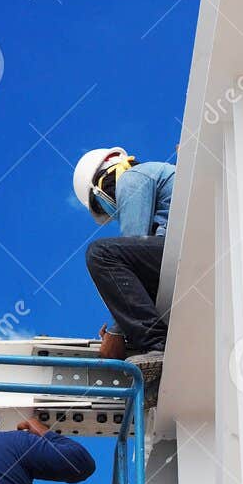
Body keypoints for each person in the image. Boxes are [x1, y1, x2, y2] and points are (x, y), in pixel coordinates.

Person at [74, 147, 175, 361]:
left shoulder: (131, 177)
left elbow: (134, 253)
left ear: (100, 189)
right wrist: (123, 324)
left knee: (101, 253)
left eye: (101, 207)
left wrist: (115, 332)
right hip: (178, 252)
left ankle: (158, 346)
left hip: (180, 249)